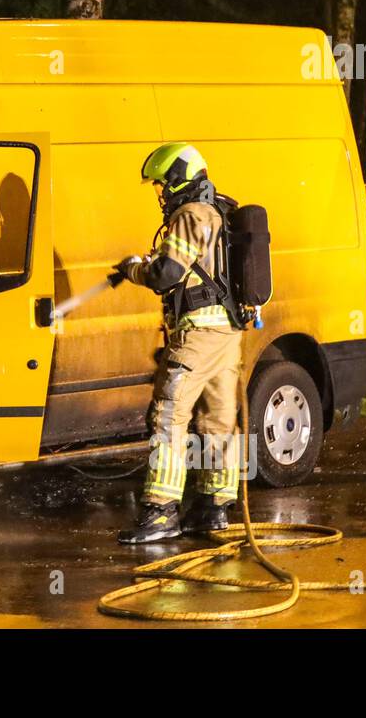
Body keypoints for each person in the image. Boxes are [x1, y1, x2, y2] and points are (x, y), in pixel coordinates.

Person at [111, 142, 243, 543]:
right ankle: (213, 508)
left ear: (178, 179)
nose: (160, 194)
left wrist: (135, 269)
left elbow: (165, 275)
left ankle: (160, 512)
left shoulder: (188, 215)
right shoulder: (219, 211)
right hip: (226, 332)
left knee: (169, 416)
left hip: (197, 336)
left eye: (161, 185)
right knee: (218, 421)